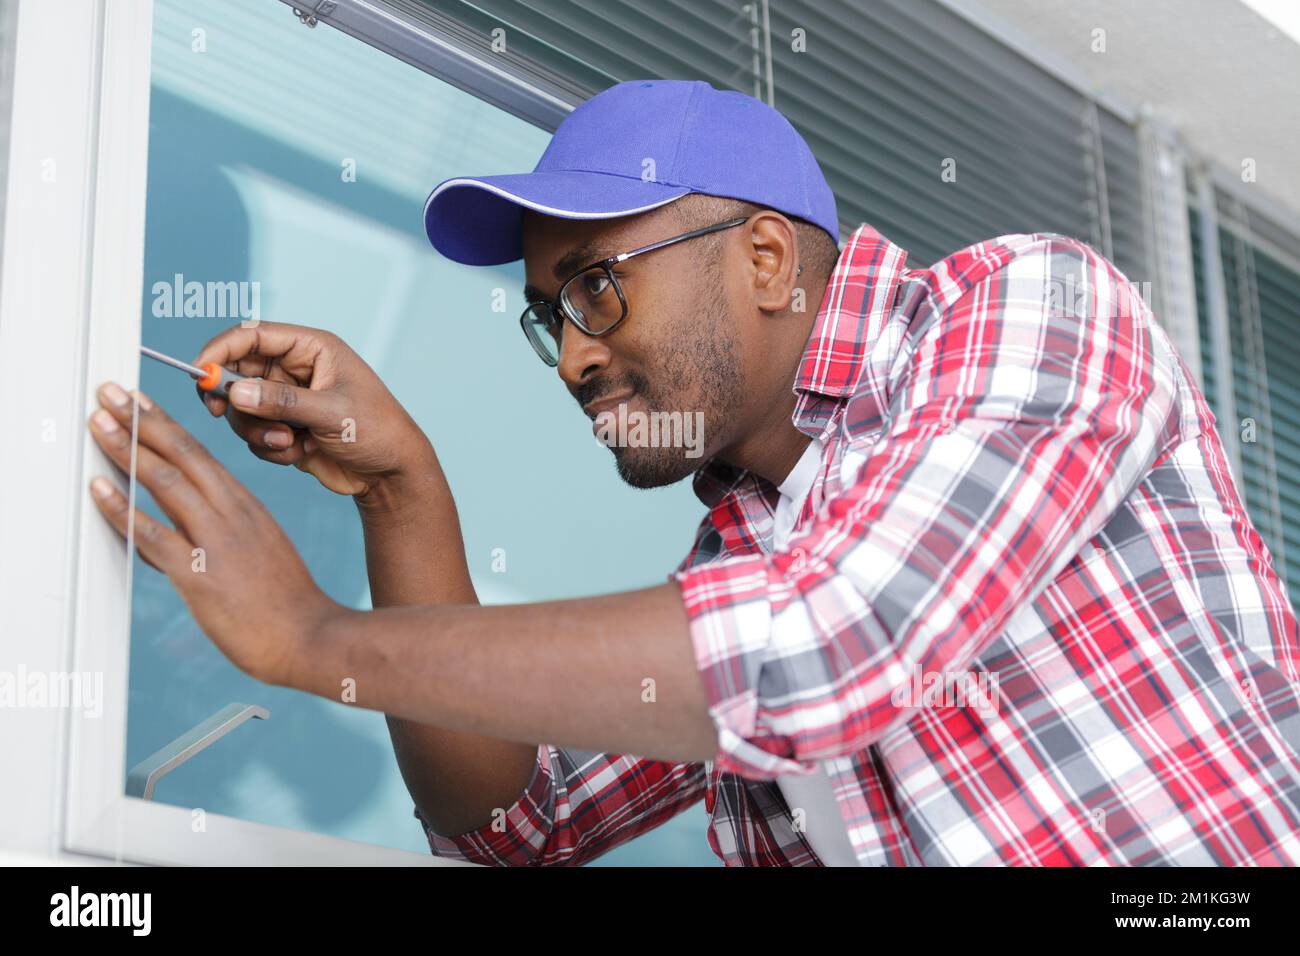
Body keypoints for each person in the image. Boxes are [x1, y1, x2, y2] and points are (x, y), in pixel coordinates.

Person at [85, 80, 1300, 866]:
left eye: (597, 287)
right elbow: (518, 825)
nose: (569, 356)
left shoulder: (1031, 304)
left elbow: (833, 642)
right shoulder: (743, 564)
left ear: (767, 258)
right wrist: (408, 491)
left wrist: (311, 637)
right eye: (548, 317)